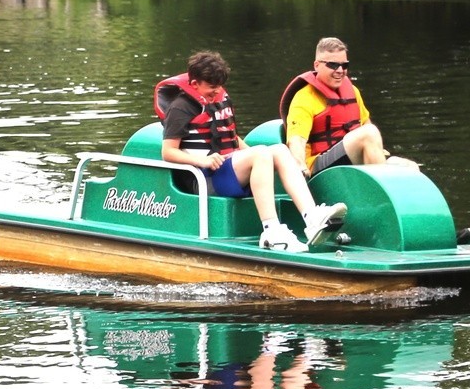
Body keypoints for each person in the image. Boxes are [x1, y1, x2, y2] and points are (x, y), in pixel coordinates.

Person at [155, 50, 346, 252]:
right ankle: (271, 231)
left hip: (227, 169)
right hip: (204, 178)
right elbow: (168, 152)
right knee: (262, 154)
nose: (217, 91)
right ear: (195, 84)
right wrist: (203, 161)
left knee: (279, 151)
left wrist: (254, 152)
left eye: (219, 86)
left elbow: (229, 136)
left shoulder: (217, 98)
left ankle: (312, 217)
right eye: (212, 87)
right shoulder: (180, 108)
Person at [279, 36, 417, 178]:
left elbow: (366, 124)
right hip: (318, 167)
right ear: (317, 65)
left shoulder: (352, 91)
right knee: (368, 133)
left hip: (349, 159)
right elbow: (296, 140)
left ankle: (390, 192)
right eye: (333, 65)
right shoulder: (304, 97)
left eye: (344, 65)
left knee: (409, 167)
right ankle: (381, 191)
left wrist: (382, 155)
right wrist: (300, 166)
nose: (340, 70)